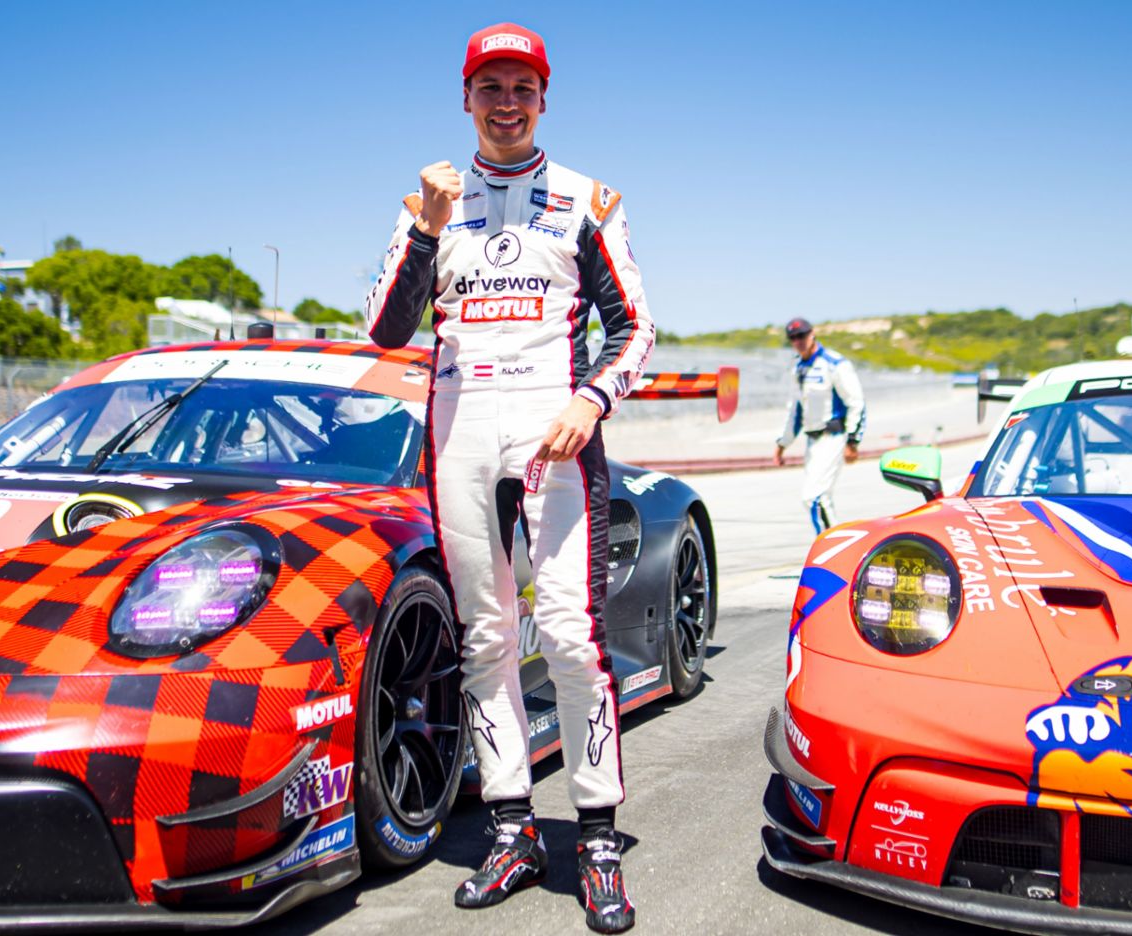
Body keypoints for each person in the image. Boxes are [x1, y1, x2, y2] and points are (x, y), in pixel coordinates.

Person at [363, 21, 652, 935]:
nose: (506, 101)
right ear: (466, 99)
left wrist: (594, 401)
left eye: (522, 86)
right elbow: (384, 331)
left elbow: (638, 329)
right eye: (490, 86)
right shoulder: (431, 203)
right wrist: (423, 229)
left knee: (568, 635)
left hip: (553, 435)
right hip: (456, 434)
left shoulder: (585, 200)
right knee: (485, 641)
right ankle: (513, 830)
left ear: (543, 98)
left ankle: (598, 841)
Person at [775, 318, 865, 534]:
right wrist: (782, 444)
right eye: (793, 338)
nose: (798, 341)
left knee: (814, 497)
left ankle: (829, 546)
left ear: (812, 333)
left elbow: (857, 402)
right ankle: (836, 546)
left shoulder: (834, 363)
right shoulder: (798, 368)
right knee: (821, 498)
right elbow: (795, 411)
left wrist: (853, 441)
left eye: (802, 335)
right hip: (812, 442)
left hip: (833, 437)